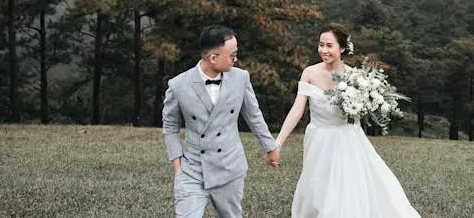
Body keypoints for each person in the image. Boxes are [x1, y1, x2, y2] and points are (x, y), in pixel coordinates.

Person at [275, 23, 420, 218]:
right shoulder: (309, 73)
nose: (323, 50)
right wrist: (278, 142)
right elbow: (297, 109)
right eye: (321, 45)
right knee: (317, 186)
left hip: (347, 138)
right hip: (317, 138)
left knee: (345, 188)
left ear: (342, 48)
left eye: (329, 46)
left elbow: (362, 112)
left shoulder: (356, 78)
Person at [162, 25, 280, 218]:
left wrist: (270, 146)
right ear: (213, 58)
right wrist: (177, 165)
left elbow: (254, 115)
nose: (236, 59)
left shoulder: (241, 78)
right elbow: (170, 126)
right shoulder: (178, 85)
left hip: (230, 167)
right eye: (232, 56)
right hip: (192, 169)